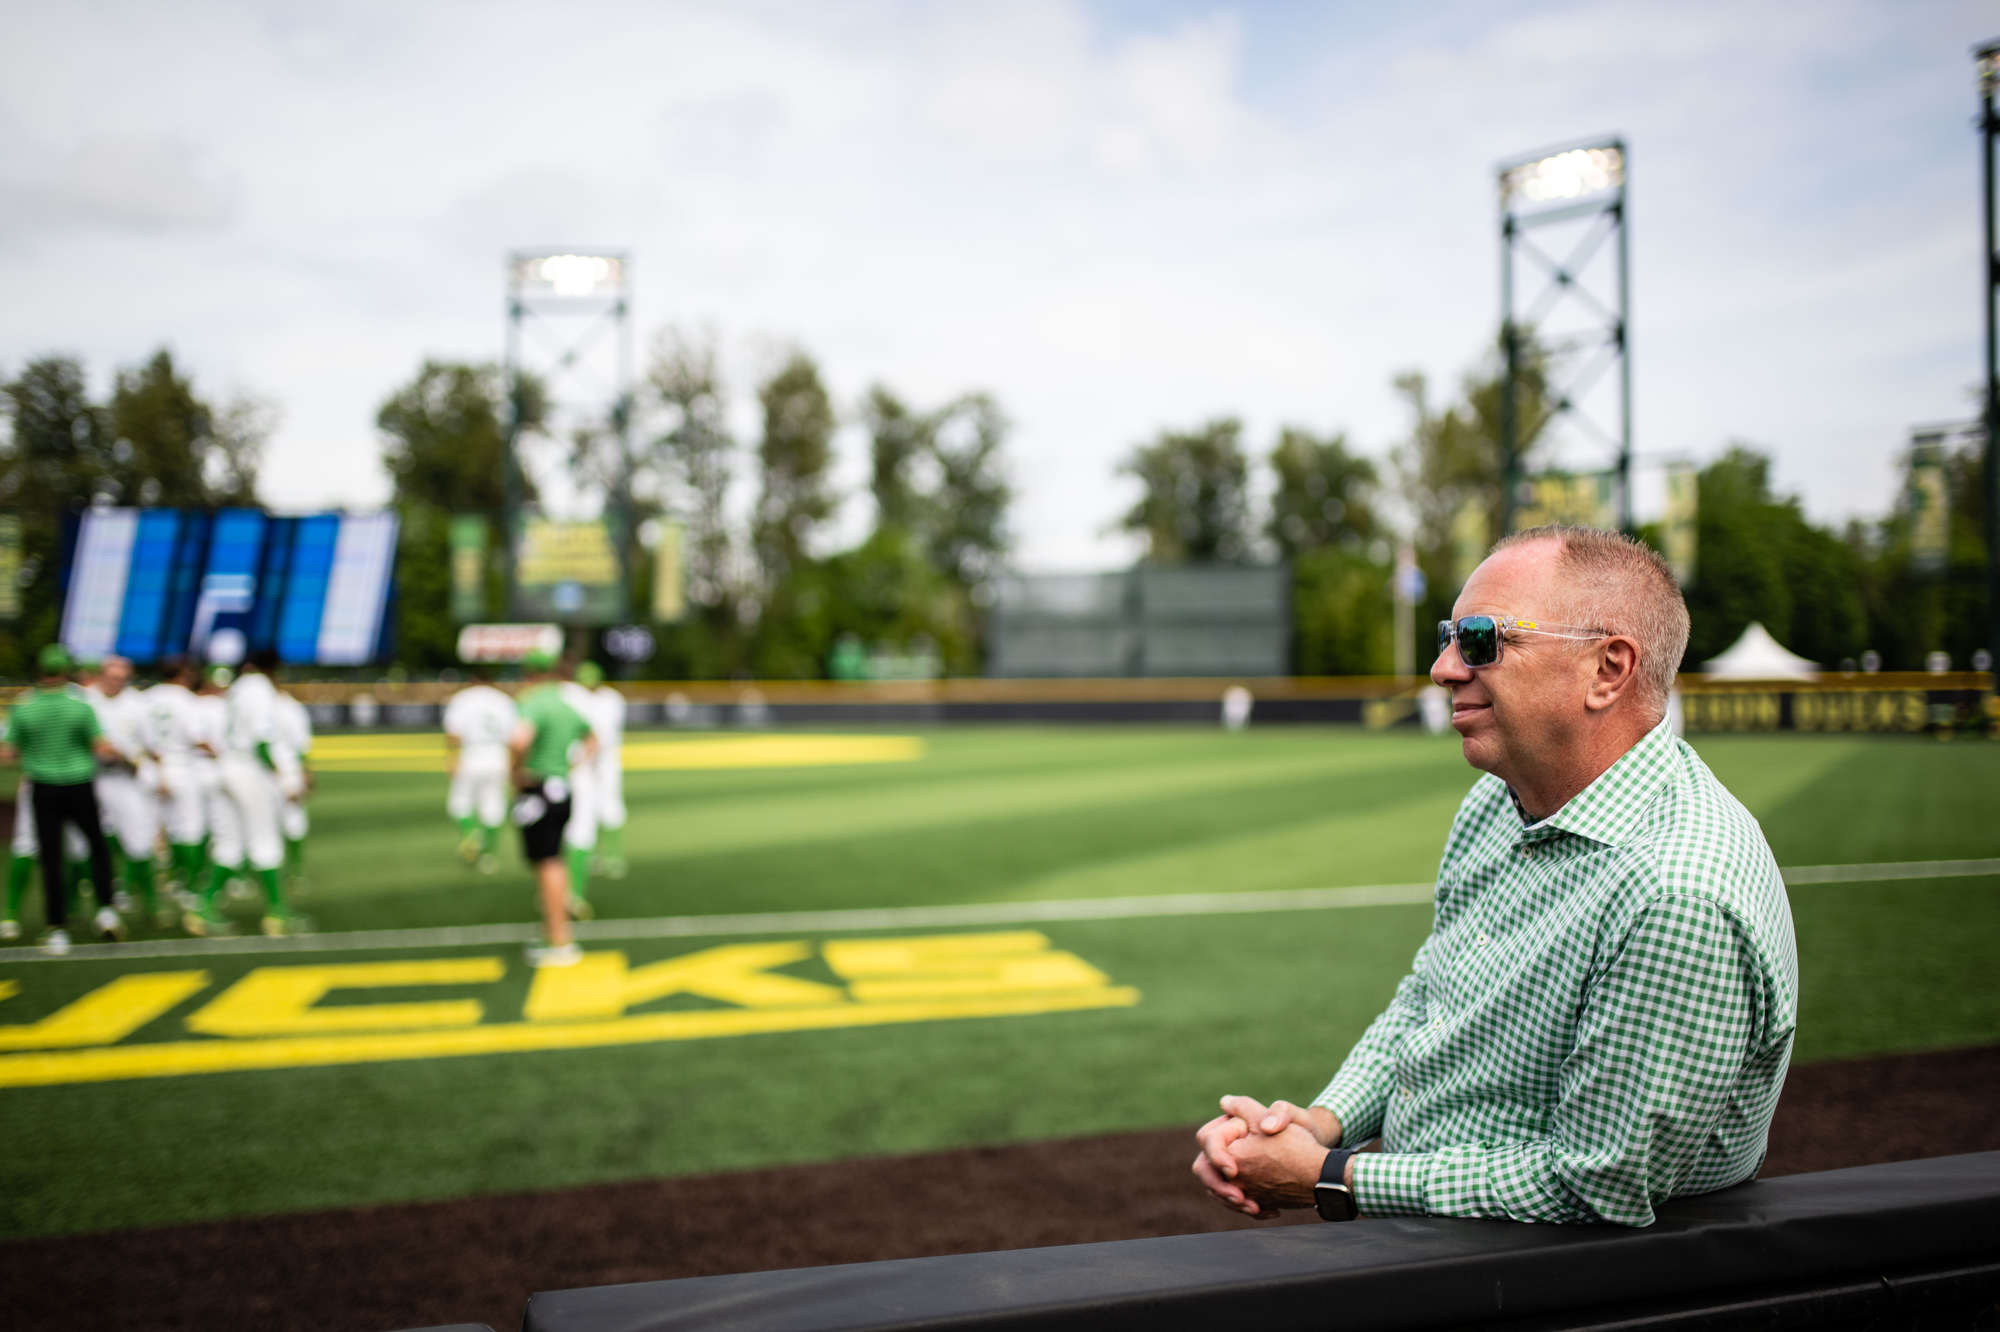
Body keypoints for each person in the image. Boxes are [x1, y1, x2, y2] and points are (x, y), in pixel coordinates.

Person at [1195, 526, 1798, 1228]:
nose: (1445, 668)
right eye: (1448, 635)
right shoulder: (1497, 799)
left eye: (1482, 640)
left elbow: (1594, 1185)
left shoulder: (1677, 893)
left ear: (1608, 670)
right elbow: (1431, 999)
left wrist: (1331, 1177)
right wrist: (1320, 1122)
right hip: (1449, 1247)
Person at [0, 646, 126, 954]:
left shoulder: (24, 707)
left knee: (51, 859)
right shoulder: (80, 706)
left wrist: (35, 754)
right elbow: (101, 747)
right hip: (80, 784)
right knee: (98, 847)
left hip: (43, 786)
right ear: (65, 671)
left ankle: (56, 928)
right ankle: (106, 909)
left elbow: (8, 753)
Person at [510, 648, 595, 967]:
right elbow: (591, 737)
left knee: (547, 865)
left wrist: (515, 771)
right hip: (561, 789)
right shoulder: (563, 703)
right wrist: (573, 764)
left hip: (539, 790)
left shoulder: (532, 702)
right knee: (553, 860)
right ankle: (555, 934)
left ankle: (560, 940)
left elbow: (519, 740)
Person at [218, 649, 293, 935]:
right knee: (265, 839)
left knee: (230, 841)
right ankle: (277, 912)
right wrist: (279, 775)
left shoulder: (238, 686)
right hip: (248, 767)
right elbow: (263, 741)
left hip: (226, 764)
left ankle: (203, 906)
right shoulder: (261, 689)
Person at [91, 655, 168, 925]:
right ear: (101, 674)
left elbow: (152, 746)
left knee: (139, 840)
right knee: (84, 844)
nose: (115, 682)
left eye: (121, 678)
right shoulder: (87, 700)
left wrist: (159, 777)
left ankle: (151, 903)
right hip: (91, 777)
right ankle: (77, 904)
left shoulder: (137, 704)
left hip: (126, 779)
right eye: (111, 676)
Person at [146, 656, 210, 913]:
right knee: (190, 829)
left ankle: (149, 887)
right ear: (183, 675)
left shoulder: (145, 697)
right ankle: (189, 886)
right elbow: (197, 737)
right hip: (181, 765)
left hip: (152, 767)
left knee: (153, 831)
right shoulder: (188, 700)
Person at [443, 665, 516, 874]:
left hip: (472, 754)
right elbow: (513, 735)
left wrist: (451, 757)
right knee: (493, 806)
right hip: (498, 755)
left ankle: (472, 834)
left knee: (460, 802)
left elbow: (453, 733)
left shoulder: (462, 698)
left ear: (471, 680)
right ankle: (489, 857)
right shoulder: (504, 700)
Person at [183, 665, 236, 935]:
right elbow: (199, 739)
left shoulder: (207, 704)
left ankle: (196, 883)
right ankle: (198, 890)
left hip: (206, 773)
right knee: (218, 834)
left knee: (207, 830)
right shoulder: (208, 706)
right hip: (206, 773)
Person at [556, 660, 600, 917]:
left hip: (548, 774)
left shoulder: (543, 697)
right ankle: (576, 894)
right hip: (580, 775)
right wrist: (578, 764)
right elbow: (595, 739)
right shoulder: (587, 699)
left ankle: (554, 893)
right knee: (581, 832)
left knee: (551, 838)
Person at [576, 661, 628, 879]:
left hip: (605, 761)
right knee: (585, 809)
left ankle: (613, 856)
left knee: (610, 806)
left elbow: (602, 736)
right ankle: (590, 856)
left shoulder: (611, 699)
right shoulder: (578, 697)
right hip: (585, 762)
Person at [272, 684, 314, 888]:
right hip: (288, 771)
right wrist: (306, 773)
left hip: (265, 772)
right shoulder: (292, 708)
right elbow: (302, 744)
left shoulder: (262, 704)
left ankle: (243, 875)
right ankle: (296, 871)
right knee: (293, 821)